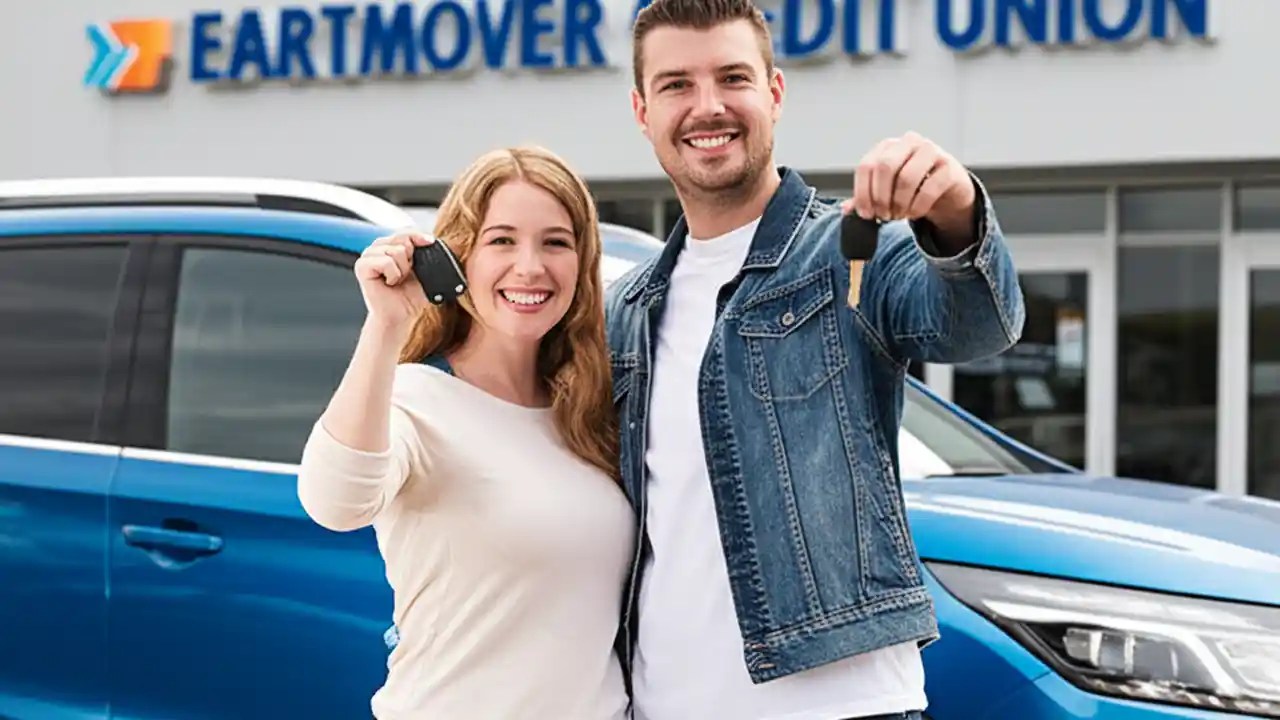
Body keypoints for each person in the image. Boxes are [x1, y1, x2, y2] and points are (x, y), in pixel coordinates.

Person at [604, 1, 1026, 719]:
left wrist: (954, 213)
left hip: (841, 706)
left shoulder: (851, 250)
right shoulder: (627, 308)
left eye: (731, 78)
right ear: (643, 111)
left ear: (773, 92)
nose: (707, 107)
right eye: (677, 85)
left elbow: (976, 325)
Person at [296, 146, 634, 720]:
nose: (530, 266)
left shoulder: (588, 412)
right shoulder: (415, 398)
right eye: (501, 240)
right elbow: (335, 503)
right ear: (457, 258)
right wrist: (385, 325)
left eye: (555, 242)